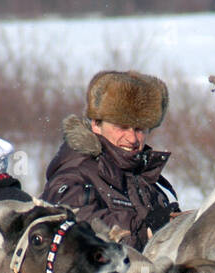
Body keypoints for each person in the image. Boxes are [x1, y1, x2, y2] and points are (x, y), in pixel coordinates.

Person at [40, 70, 180, 252]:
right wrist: (148, 230)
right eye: (122, 127)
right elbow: (80, 237)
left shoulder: (147, 182)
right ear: (96, 124)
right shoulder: (74, 174)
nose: (132, 139)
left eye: (140, 129)